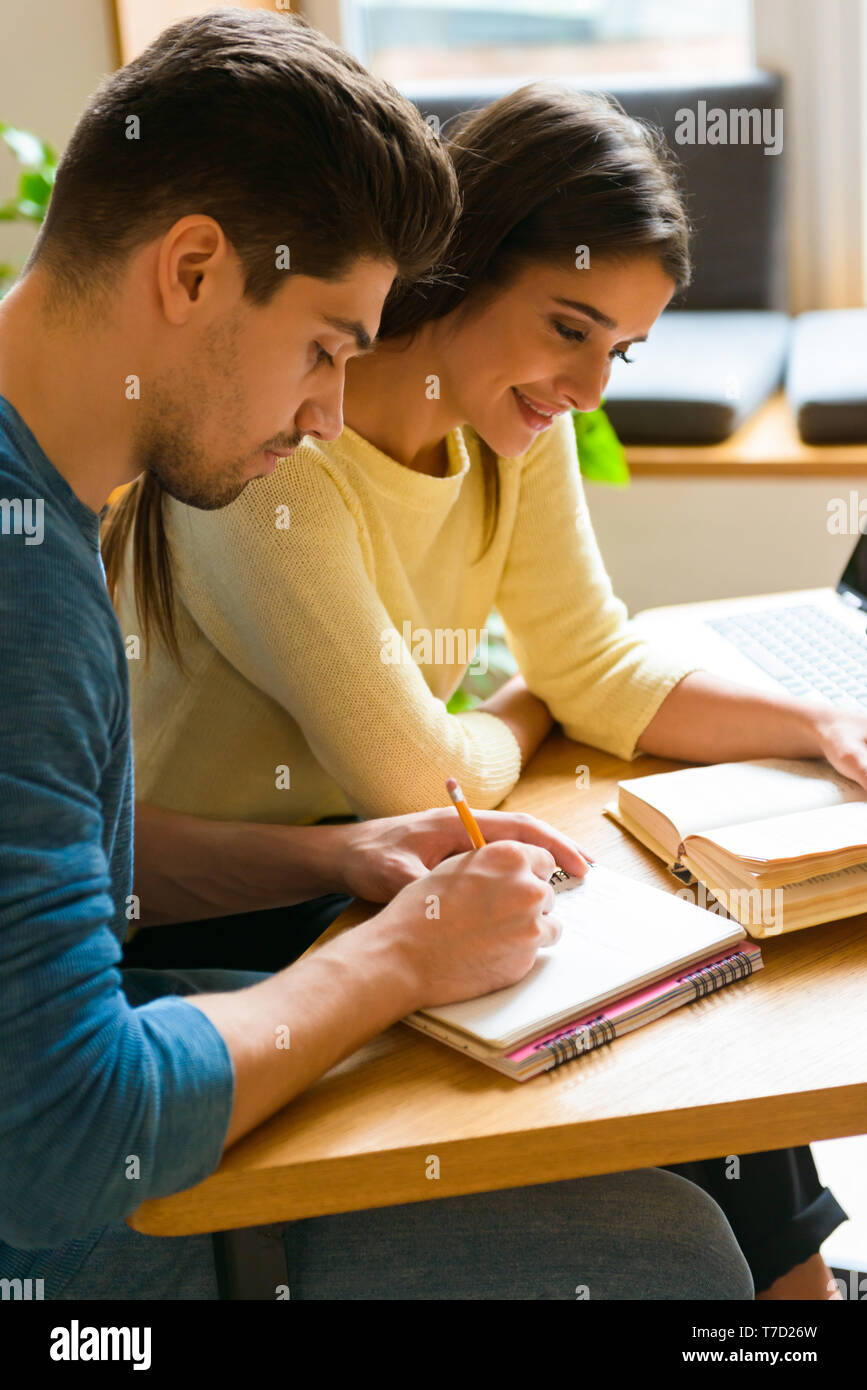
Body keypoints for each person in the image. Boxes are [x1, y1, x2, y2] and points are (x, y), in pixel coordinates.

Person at [0, 9, 754, 1303]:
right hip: (48, 1216)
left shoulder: (50, 507)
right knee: (672, 1256)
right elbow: (68, 1141)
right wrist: (397, 953)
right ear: (191, 272)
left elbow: (59, 853)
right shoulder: (26, 586)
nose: (330, 414)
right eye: (325, 348)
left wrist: (337, 857)